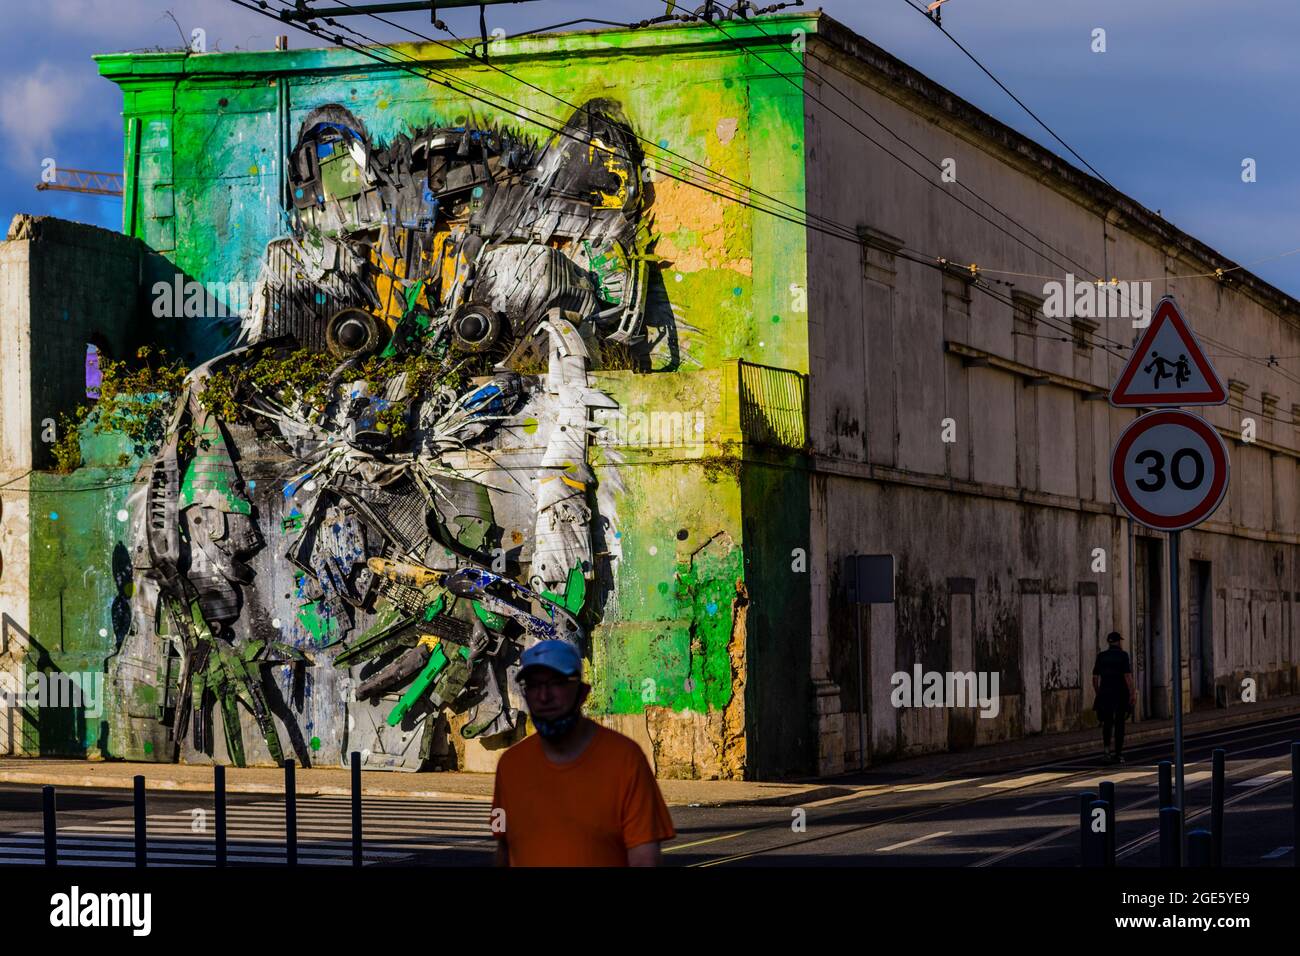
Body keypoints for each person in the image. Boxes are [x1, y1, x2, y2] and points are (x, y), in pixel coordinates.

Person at [491, 639, 676, 866]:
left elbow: (645, 858)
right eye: (533, 685)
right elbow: (504, 848)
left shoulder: (625, 760)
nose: (544, 696)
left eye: (557, 683)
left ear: (582, 692)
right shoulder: (511, 766)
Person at [1092, 631, 1136, 764]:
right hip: (1120, 694)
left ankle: (1106, 751)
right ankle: (1118, 753)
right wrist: (1132, 693)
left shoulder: (1101, 656)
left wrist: (1098, 692)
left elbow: (1095, 678)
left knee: (1107, 723)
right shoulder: (1123, 656)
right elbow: (1127, 676)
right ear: (1118, 642)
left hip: (1105, 693)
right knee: (1119, 724)